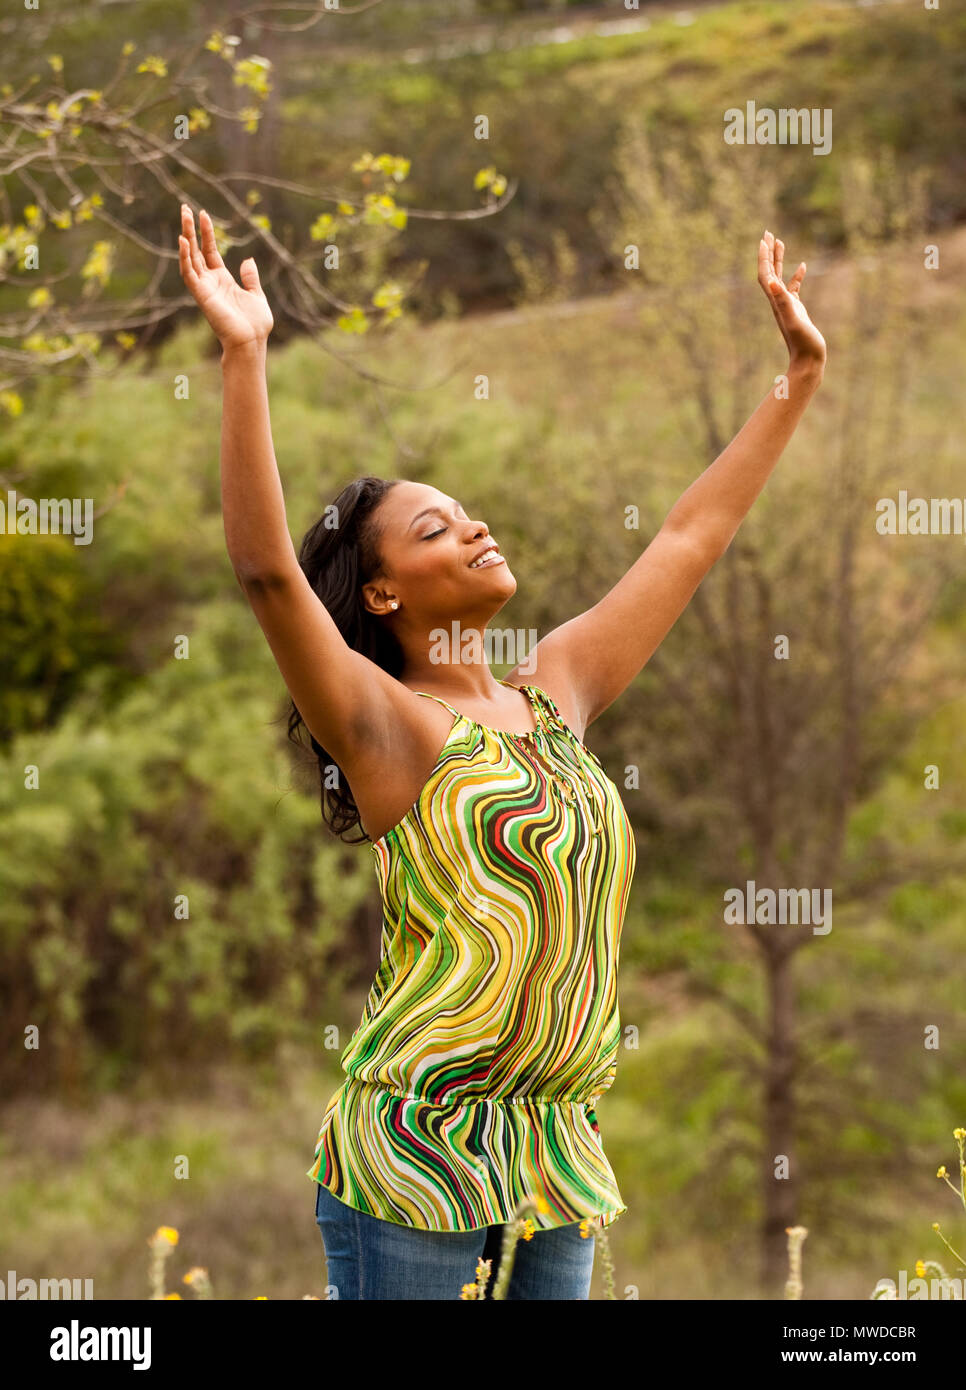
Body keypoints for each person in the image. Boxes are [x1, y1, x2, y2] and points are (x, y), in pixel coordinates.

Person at [178, 204, 826, 1299]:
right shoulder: (389, 724)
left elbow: (687, 537)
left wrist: (796, 379)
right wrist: (245, 357)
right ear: (382, 593)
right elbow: (268, 576)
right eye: (434, 529)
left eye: (468, 513)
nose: (474, 527)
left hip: (554, 1148)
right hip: (416, 1149)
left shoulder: (558, 693)